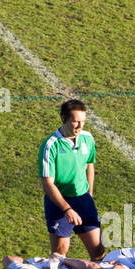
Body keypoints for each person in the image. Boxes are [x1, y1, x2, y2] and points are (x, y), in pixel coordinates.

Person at [40, 99, 105, 260]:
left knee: (99, 253)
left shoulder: (87, 138)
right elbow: (47, 183)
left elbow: (90, 164)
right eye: (75, 121)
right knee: (59, 256)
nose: (80, 126)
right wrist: (67, 209)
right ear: (63, 118)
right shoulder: (50, 145)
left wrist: (89, 193)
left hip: (83, 200)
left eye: (82, 121)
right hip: (59, 204)